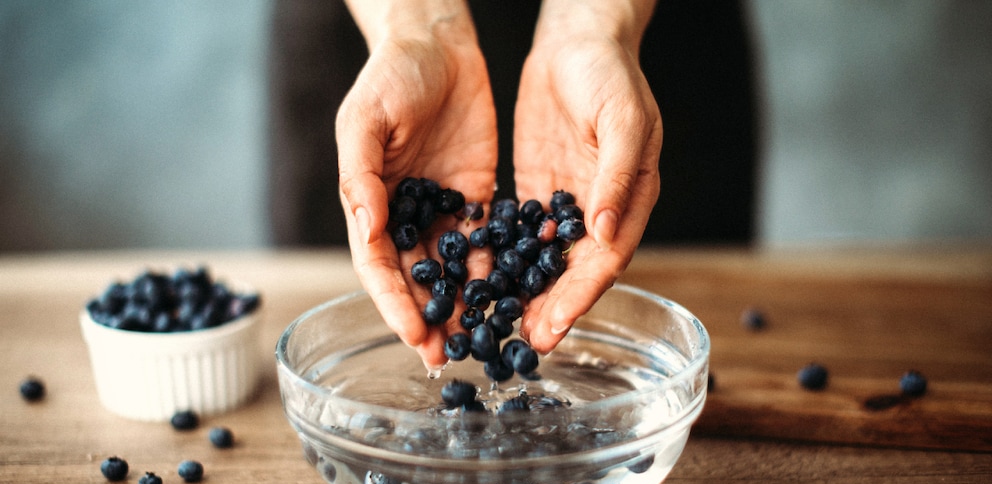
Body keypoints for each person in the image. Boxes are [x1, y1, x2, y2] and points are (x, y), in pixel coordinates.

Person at [268, 0, 757, 369]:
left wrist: (591, 22)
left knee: (640, 229)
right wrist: (415, 24)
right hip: (381, 29)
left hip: (648, 39)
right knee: (372, 235)